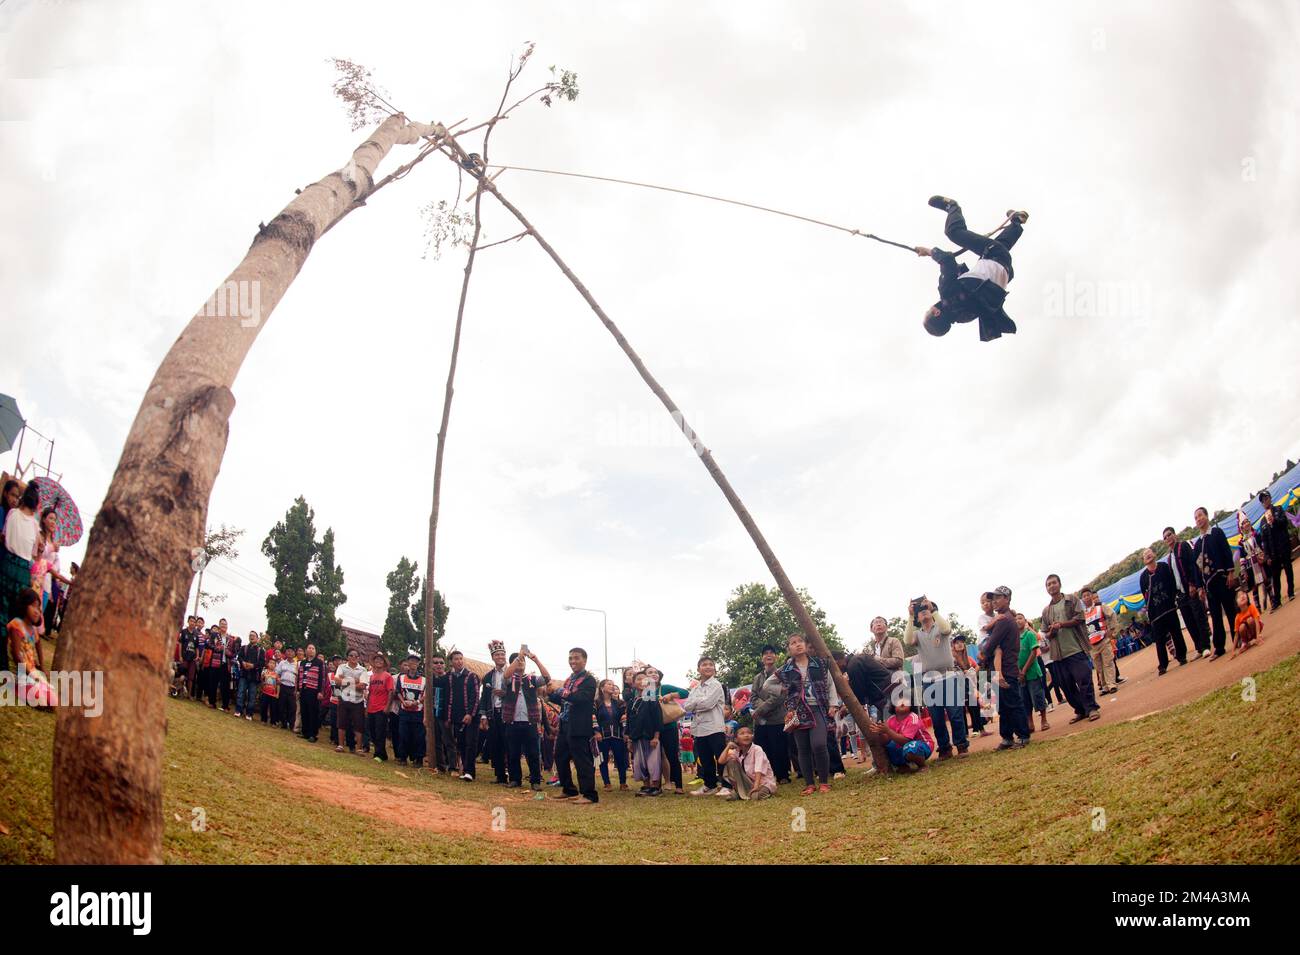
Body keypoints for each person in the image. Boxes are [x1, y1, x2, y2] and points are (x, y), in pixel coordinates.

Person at [914, 197, 1028, 342]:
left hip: (1004, 266)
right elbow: (948, 260)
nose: (930, 307)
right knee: (953, 232)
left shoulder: (965, 316)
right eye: (928, 311)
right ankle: (951, 206)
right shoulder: (947, 294)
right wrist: (929, 251)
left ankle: (1016, 222)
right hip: (993, 254)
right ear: (936, 313)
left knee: (999, 246)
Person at [903, 597, 969, 759]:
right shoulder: (917, 634)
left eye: (926, 610)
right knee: (937, 717)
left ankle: (961, 745)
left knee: (955, 714)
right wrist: (910, 616)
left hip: (948, 676)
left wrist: (933, 609)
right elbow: (907, 640)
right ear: (917, 618)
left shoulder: (940, 628)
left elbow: (947, 629)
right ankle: (945, 748)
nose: (923, 612)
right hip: (928, 680)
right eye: (920, 611)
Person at [778, 632, 833, 795]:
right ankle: (809, 784)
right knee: (803, 749)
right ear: (789, 649)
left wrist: (834, 704)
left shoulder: (819, 664)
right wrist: (782, 690)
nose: (797, 644)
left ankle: (824, 782)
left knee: (819, 744)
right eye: (793, 643)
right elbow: (768, 685)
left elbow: (830, 684)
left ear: (805, 644)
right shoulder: (786, 669)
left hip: (818, 708)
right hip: (797, 712)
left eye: (800, 641)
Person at [1041, 575, 1101, 720]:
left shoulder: (1072, 600)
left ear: (1060, 584)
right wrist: (1052, 632)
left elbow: (1080, 618)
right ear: (1046, 589)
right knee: (1066, 686)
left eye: (1054, 583)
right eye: (1048, 584)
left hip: (1075, 648)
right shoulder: (1046, 611)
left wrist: (1061, 624)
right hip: (1058, 654)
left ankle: (1091, 708)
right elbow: (1045, 634)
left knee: (1084, 680)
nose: (1051, 586)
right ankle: (1080, 710)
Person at [665, 656, 727, 796]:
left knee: (721, 757)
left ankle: (727, 785)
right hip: (699, 729)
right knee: (705, 758)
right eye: (704, 665)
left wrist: (696, 703)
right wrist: (698, 702)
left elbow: (708, 704)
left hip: (714, 726)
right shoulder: (696, 688)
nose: (708, 667)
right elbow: (687, 706)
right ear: (698, 669)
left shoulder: (716, 685)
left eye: (711, 664)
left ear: (714, 669)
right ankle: (709, 785)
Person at [981, 586, 1032, 749]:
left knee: (1012, 703)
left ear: (1007, 599)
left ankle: (1022, 735)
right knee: (1004, 704)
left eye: (998, 597)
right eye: (993, 598)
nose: (994, 601)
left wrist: (983, 654)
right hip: (1003, 668)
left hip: (1007, 668)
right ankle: (1007, 737)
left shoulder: (1004, 620)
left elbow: (991, 644)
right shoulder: (1003, 617)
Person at [548, 647, 599, 804]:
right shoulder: (570, 679)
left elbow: (582, 699)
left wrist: (561, 691)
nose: (572, 661)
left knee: (582, 760)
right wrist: (551, 694)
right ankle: (569, 789)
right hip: (565, 723)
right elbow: (565, 701)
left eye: (576, 658)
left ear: (584, 660)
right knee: (560, 756)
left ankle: (589, 794)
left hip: (580, 725)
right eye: (570, 658)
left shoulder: (589, 680)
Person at [1, 482, 40, 671]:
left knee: (1, 614)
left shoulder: (12, 514)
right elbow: (33, 554)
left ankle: (2, 661)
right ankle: (16, 664)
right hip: (23, 571)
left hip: (6, 565)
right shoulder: (34, 524)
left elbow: (4, 536)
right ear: (35, 507)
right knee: (16, 619)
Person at [500, 649, 550, 789]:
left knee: (533, 753)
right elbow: (505, 675)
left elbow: (546, 678)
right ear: (512, 664)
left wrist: (536, 659)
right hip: (512, 721)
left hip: (530, 722)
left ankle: (535, 781)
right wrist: (518, 658)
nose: (521, 663)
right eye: (517, 661)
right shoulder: (509, 680)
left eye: (522, 661)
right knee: (513, 753)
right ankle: (515, 779)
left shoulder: (531, 679)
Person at [1193, 506, 1236, 658]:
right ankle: (1219, 647)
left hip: (1223, 579)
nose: (1198, 519)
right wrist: (1200, 588)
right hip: (1210, 586)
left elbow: (1226, 552)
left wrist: (1231, 572)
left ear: (1207, 516)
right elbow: (1197, 568)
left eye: (1200, 515)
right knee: (1216, 617)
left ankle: (1239, 639)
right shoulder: (1197, 544)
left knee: (1231, 610)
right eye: (1196, 518)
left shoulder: (1217, 533)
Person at [1162, 527, 1211, 658]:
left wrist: (1193, 584)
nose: (1168, 538)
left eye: (1169, 535)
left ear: (1175, 535)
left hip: (1191, 589)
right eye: (1165, 537)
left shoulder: (1183, 546)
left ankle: (1206, 645)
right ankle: (1199, 647)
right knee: (1189, 622)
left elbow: (1192, 565)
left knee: (1199, 617)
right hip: (1181, 594)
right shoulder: (1169, 557)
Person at [1138, 549, 1187, 675]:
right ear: (1144, 561)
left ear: (1154, 555)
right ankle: (1163, 665)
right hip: (1155, 614)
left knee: (1176, 633)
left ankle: (1182, 656)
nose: (1148, 555)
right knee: (1159, 641)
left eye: (1149, 553)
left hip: (1169, 608)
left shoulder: (1164, 567)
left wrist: (1172, 600)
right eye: (1145, 555)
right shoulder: (1143, 577)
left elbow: (1172, 584)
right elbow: (1145, 595)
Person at [749, 644, 791, 784]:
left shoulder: (781, 674)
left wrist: (761, 709)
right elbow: (753, 697)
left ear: (776, 657)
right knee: (763, 748)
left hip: (777, 718)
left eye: (771, 653)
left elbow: (779, 697)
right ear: (762, 658)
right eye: (765, 653)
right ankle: (767, 776)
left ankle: (783, 776)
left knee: (779, 748)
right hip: (761, 721)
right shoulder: (757, 678)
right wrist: (760, 708)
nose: (768, 655)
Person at [7, 588, 56, 707]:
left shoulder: (33, 630)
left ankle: (35, 689)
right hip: (18, 674)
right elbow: (17, 655)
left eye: (39, 608)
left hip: (31, 673)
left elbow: (38, 644)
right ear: (24, 605)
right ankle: (14, 687)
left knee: (54, 700)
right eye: (33, 606)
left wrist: (42, 667)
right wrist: (32, 674)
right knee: (44, 700)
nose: (37, 611)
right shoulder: (16, 624)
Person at [443, 650, 481, 780]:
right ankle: (465, 770)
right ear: (451, 662)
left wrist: (470, 714)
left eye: (460, 658)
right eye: (456, 659)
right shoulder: (448, 677)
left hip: (472, 717)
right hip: (457, 717)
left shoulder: (472, 676)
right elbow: (448, 698)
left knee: (471, 743)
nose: (459, 661)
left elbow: (475, 697)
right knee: (461, 743)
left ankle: (470, 772)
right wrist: (448, 717)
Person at [479, 641, 511, 785]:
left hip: (508, 714)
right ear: (493, 657)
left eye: (503, 654)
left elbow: (518, 694)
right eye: (497, 654)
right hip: (493, 714)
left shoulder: (512, 674)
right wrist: (484, 716)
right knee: (495, 744)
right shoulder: (488, 676)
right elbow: (484, 697)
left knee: (509, 744)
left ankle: (513, 775)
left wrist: (505, 694)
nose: (500, 657)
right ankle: (500, 775)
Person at [717, 725, 777, 800]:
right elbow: (721, 761)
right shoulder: (737, 751)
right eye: (742, 733)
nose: (746, 735)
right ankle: (740, 791)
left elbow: (758, 769)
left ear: (752, 736)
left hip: (762, 783)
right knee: (731, 763)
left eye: (749, 733)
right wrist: (728, 746)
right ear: (736, 739)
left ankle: (743, 794)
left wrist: (756, 786)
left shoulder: (757, 749)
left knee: (755, 796)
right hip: (748, 783)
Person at [626, 671, 662, 796]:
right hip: (636, 737)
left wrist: (656, 736)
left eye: (644, 679)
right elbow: (629, 721)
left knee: (653, 762)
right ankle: (646, 785)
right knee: (640, 762)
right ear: (633, 683)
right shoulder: (632, 701)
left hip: (650, 736)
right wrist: (629, 739)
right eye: (638, 679)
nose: (641, 681)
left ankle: (656, 787)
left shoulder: (652, 698)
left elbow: (657, 718)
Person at [1079, 588, 1119, 696]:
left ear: (1092, 596)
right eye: (1084, 596)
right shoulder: (1082, 614)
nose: (1086, 597)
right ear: (1082, 599)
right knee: (1099, 667)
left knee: (1108, 662)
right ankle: (1105, 686)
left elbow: (1112, 615)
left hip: (1104, 640)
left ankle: (1111, 685)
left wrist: (1111, 631)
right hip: (1092, 645)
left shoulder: (1100, 607)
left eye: (1088, 595)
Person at [1015, 612, 1050, 732]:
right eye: (1015, 619)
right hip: (1020, 675)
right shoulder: (1013, 639)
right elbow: (1013, 656)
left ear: (1025, 621)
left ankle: (1044, 719)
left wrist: (1024, 671)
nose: (1017, 621)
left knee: (1037, 696)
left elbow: (1034, 652)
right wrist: (1019, 672)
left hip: (1032, 672)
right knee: (1024, 699)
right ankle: (1030, 722)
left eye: (1020, 618)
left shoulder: (1029, 635)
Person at [1258, 490, 1295, 604]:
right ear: (1262, 504)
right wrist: (1267, 556)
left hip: (1283, 546)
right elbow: (1264, 540)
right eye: (1263, 501)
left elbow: (1285, 523)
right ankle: (1277, 600)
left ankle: (1291, 592)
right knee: (1275, 575)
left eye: (1266, 498)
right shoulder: (1263, 521)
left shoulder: (1278, 509)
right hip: (1273, 552)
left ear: (1270, 498)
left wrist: (1275, 520)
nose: (1265, 501)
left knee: (1288, 569)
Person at [879, 697, 933, 772]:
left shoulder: (913, 718)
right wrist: (880, 732)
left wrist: (888, 730)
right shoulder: (891, 720)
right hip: (904, 746)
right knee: (890, 746)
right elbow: (887, 740)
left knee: (910, 747)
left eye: (906, 700)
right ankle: (902, 766)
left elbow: (905, 740)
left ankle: (922, 765)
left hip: (923, 745)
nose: (902, 702)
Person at [950, 637, 988, 736]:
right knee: (960, 710)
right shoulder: (952, 659)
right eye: (957, 643)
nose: (960, 644)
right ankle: (965, 734)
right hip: (957, 686)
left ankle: (980, 729)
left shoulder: (967, 658)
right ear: (953, 645)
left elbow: (977, 666)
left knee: (974, 706)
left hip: (969, 685)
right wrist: (962, 672)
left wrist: (972, 671)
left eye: (962, 642)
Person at [595, 678, 629, 791]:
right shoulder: (596, 703)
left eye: (613, 684)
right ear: (602, 688)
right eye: (609, 684)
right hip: (602, 736)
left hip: (618, 735)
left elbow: (624, 719)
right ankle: (607, 783)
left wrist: (625, 732)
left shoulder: (619, 703)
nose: (612, 686)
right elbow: (593, 718)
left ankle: (623, 783)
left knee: (620, 759)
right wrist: (596, 731)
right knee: (603, 760)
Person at [333, 648, 367, 753]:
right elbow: (336, 681)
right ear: (347, 657)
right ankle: (340, 745)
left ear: (358, 657)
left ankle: (359, 748)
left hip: (358, 700)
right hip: (344, 698)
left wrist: (346, 680)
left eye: (356, 656)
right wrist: (355, 681)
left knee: (358, 724)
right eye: (351, 655)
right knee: (342, 722)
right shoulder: (341, 667)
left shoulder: (363, 670)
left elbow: (362, 686)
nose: (354, 657)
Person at [396, 654, 426, 767]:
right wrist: (402, 702)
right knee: (403, 735)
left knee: (418, 737)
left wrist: (417, 702)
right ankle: (403, 758)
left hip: (418, 711)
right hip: (405, 711)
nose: (413, 663)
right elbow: (398, 691)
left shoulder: (424, 679)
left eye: (415, 661)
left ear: (418, 663)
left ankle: (418, 759)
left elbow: (426, 695)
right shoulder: (401, 677)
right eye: (411, 661)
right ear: (407, 663)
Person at [364, 653, 395, 762]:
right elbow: (370, 693)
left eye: (381, 660)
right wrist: (367, 708)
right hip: (371, 707)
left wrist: (387, 707)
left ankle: (379, 755)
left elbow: (391, 692)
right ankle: (383, 754)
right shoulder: (372, 676)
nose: (378, 661)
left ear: (384, 663)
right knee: (372, 732)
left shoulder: (387, 676)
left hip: (381, 708)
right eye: (376, 659)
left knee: (380, 732)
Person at [426, 655, 450, 773]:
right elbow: (426, 698)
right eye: (435, 663)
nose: (439, 665)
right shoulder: (430, 680)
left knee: (449, 742)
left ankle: (452, 767)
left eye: (441, 662)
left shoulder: (449, 678)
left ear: (445, 665)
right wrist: (426, 716)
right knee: (436, 741)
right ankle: (440, 766)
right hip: (433, 714)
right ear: (431, 666)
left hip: (446, 715)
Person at [236, 631, 265, 720]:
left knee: (252, 696)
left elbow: (262, 663)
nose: (251, 637)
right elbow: (239, 657)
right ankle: (239, 710)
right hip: (244, 674)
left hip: (254, 677)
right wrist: (243, 663)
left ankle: (249, 713)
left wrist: (253, 666)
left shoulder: (261, 651)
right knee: (240, 693)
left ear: (257, 638)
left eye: (253, 636)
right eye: (250, 635)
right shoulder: (244, 648)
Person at [1232, 591, 1263, 657]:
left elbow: (1257, 622)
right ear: (1236, 604)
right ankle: (1245, 643)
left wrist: (1258, 636)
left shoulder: (1251, 607)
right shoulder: (1237, 617)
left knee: (1250, 620)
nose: (1242, 596)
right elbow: (1236, 635)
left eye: (1243, 594)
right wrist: (1233, 651)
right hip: (1246, 633)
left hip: (1256, 628)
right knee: (1241, 627)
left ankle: (1257, 637)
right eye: (1239, 596)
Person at [274, 647, 297, 729]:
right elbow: (276, 673)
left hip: (292, 687)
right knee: (282, 705)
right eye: (288, 651)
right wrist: (278, 678)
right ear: (285, 653)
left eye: (291, 651)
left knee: (292, 707)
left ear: (294, 653)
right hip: (283, 686)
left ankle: (291, 724)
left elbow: (298, 677)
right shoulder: (282, 663)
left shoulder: (297, 664)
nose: (290, 653)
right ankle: (283, 723)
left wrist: (296, 689)